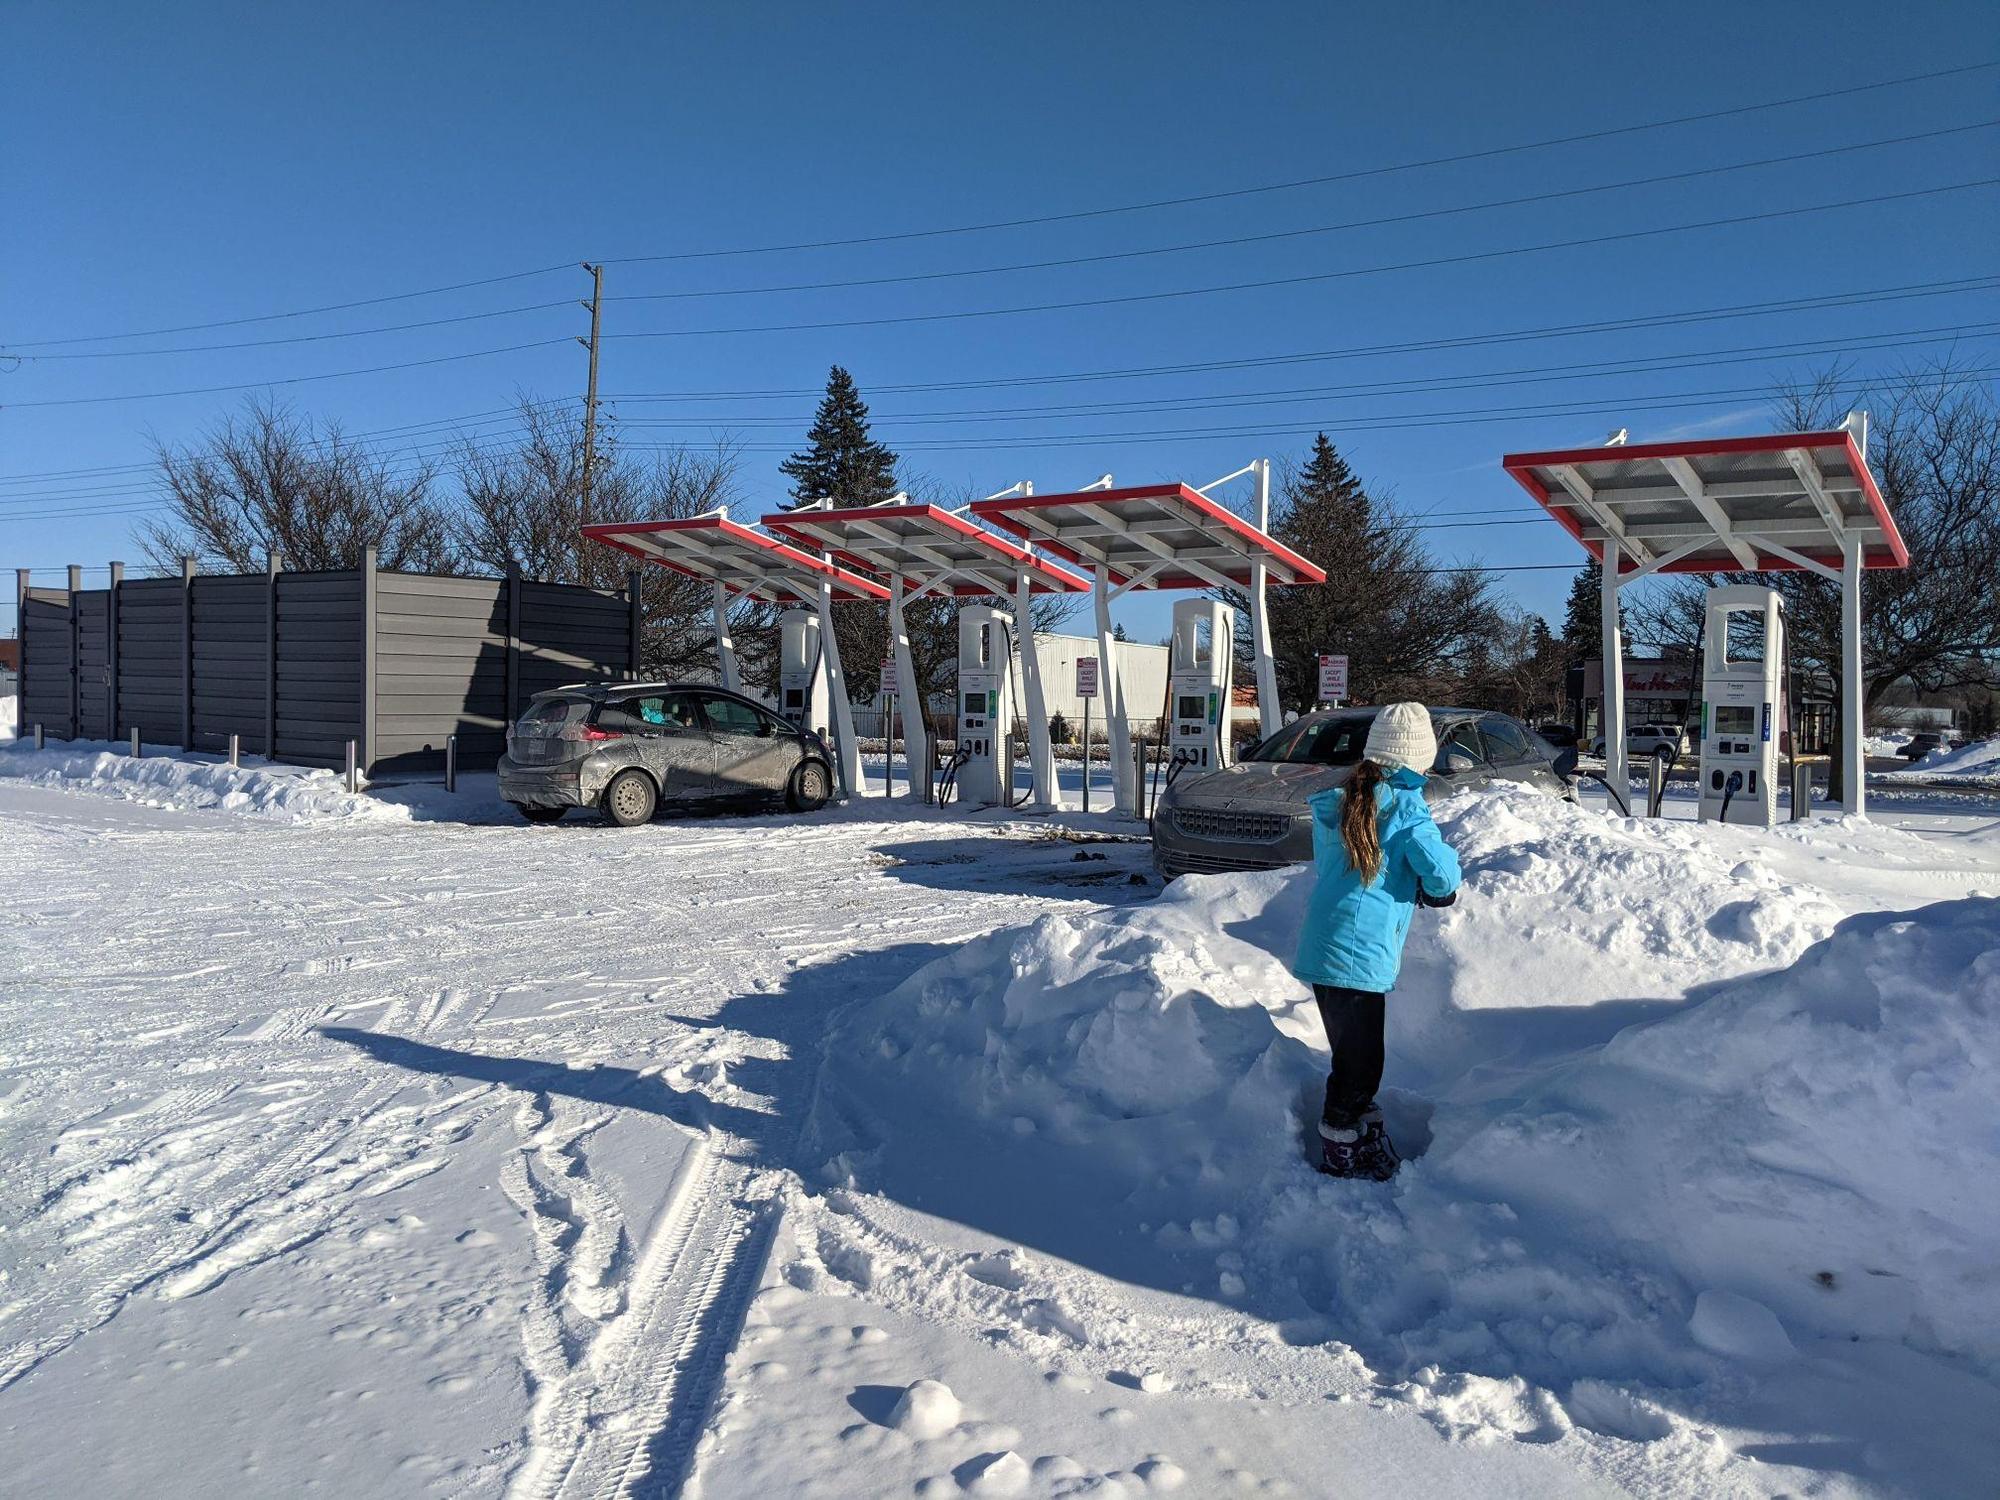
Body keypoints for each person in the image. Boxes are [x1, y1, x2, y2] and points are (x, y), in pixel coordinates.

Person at [1291, 702, 1462, 1180]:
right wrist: (1440, 888)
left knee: (1354, 1055)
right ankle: (1341, 1142)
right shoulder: (1406, 806)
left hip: (1325, 947)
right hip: (1358, 956)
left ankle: (1357, 1122)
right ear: (1418, 759)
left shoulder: (1349, 797)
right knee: (1361, 1065)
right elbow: (1441, 872)